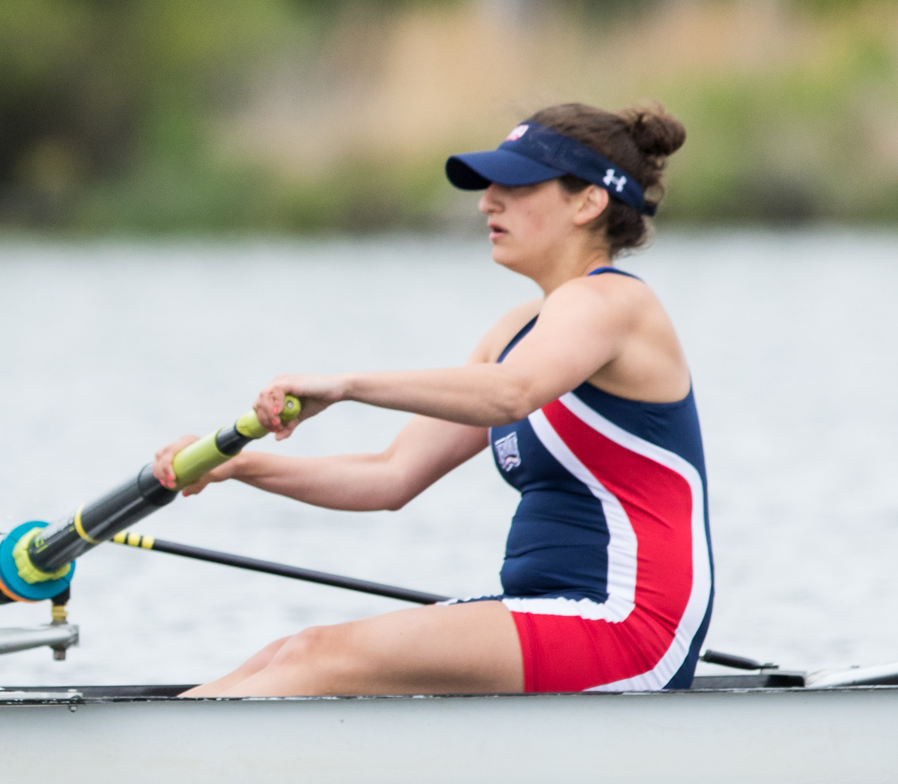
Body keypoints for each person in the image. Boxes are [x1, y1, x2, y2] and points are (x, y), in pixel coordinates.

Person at [156, 103, 711, 697]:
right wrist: (235, 466)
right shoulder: (517, 331)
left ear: (588, 202)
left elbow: (510, 395)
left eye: (516, 185)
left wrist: (346, 386)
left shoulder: (611, 305)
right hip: (547, 611)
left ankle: (151, 776)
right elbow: (389, 476)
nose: (486, 202)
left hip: (627, 624)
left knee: (320, 657)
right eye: (489, 186)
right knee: (285, 654)